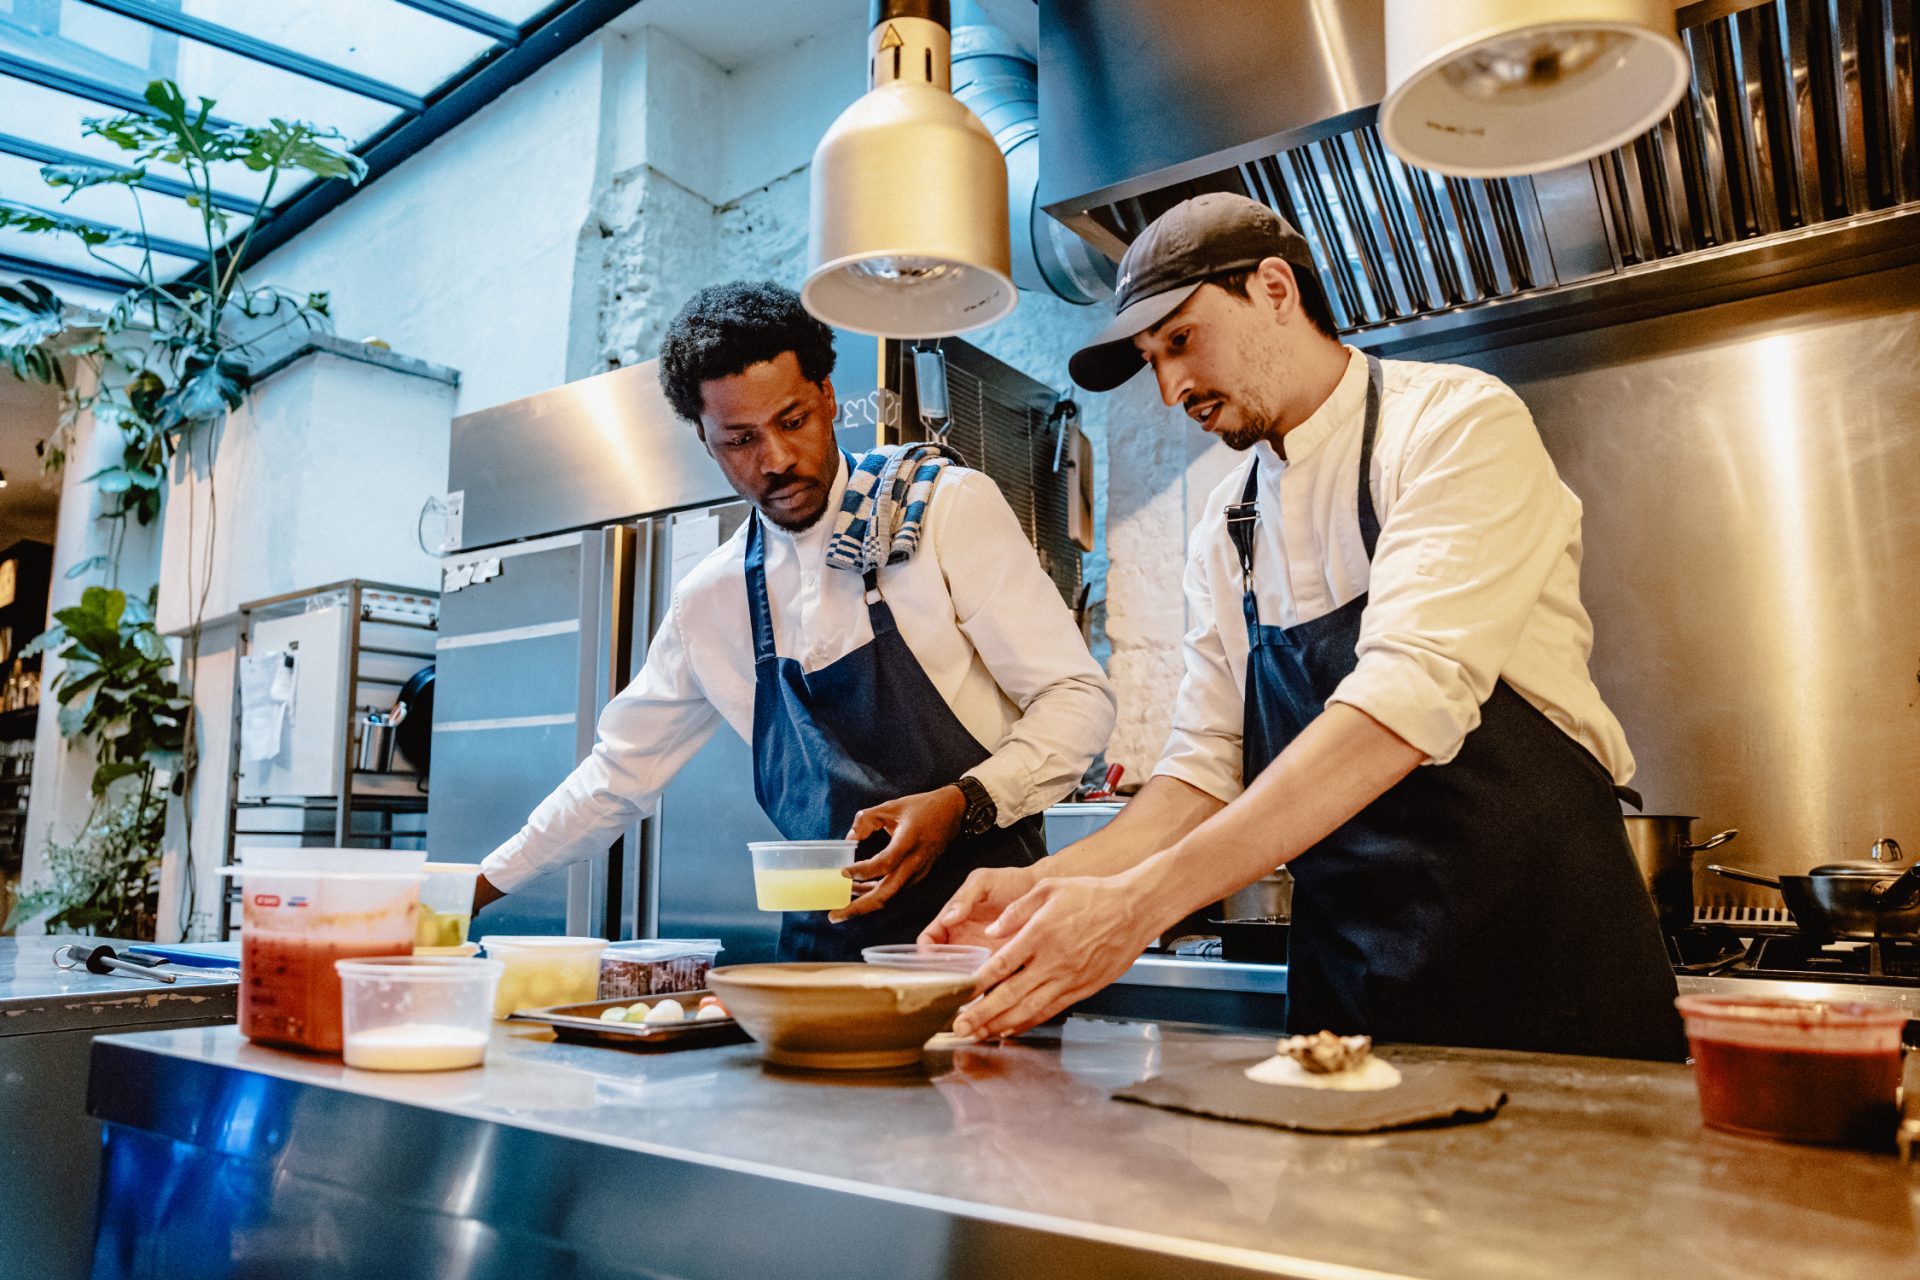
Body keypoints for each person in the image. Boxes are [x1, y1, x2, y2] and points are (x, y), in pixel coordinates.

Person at [927, 194, 1683, 1060]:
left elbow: (1400, 705)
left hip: (1544, 973)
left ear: (1275, 289)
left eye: (1180, 340)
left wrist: (1138, 906)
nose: (1171, 387)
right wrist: (1039, 887)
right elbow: (1205, 770)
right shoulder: (1229, 526)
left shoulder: (1454, 425)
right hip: (1350, 993)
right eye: (1151, 359)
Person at [471, 280, 1116, 961]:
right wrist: (472, 889)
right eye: (740, 440)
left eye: (793, 420)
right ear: (705, 440)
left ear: (829, 398)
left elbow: (1077, 700)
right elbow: (615, 777)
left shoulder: (941, 511)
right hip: (823, 959)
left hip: (984, 943)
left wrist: (963, 803)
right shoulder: (710, 601)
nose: (775, 460)